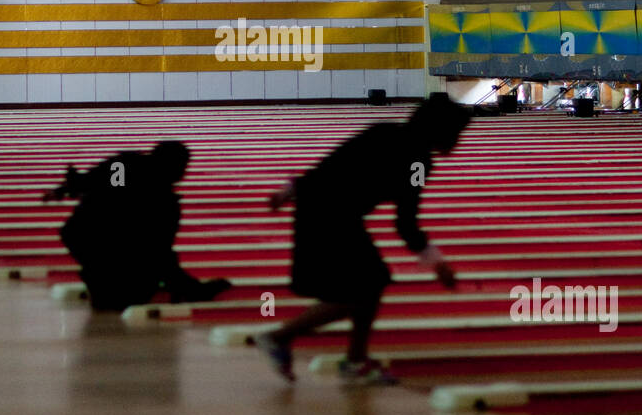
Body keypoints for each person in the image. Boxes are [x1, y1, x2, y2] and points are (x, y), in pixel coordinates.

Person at [256, 93, 471, 384]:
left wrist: (290, 191)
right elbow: (405, 222)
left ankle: (354, 361)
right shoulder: (419, 163)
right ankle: (280, 337)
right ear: (442, 131)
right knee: (361, 290)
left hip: (322, 208)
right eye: (457, 134)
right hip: (331, 216)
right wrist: (438, 263)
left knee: (372, 281)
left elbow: (332, 164)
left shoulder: (383, 132)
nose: (458, 142)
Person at [45, 141, 231, 312]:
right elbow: (160, 255)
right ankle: (107, 281)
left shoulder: (126, 165)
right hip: (102, 243)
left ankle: (100, 279)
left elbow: (92, 180)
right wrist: (189, 288)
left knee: (120, 274)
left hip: (81, 236)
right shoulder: (164, 203)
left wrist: (64, 189)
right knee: (140, 270)